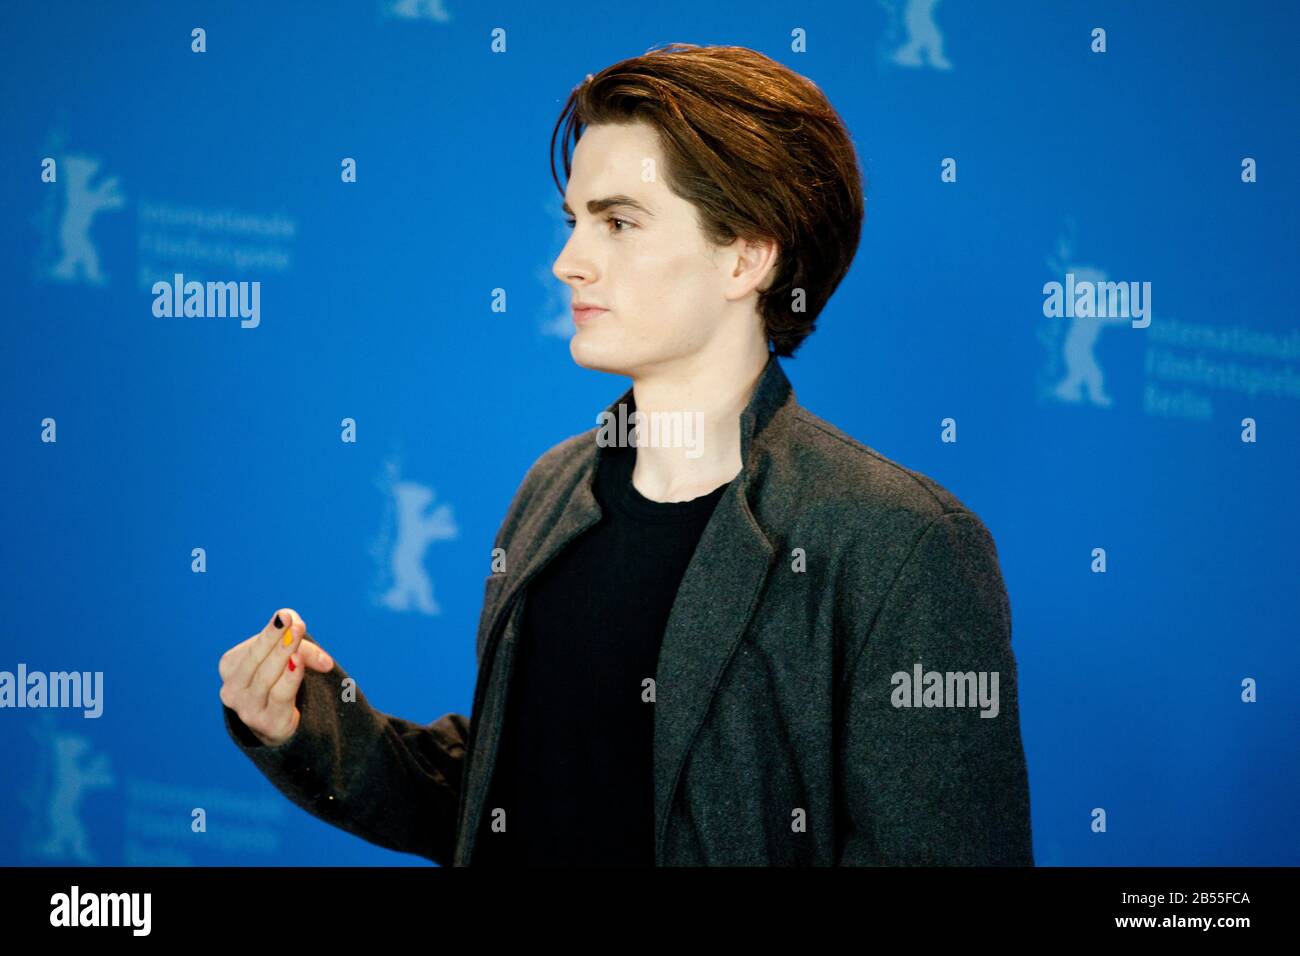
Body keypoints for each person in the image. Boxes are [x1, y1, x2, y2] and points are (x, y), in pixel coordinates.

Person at [219, 43, 1033, 866]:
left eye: (618, 222)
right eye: (574, 221)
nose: (568, 261)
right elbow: (515, 800)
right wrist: (306, 725)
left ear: (748, 254)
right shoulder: (554, 490)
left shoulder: (898, 544)